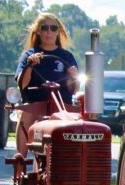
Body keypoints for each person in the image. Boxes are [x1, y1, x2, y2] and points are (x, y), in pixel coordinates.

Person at [13, 12, 79, 154]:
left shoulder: (67, 56)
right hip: (35, 105)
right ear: (38, 31)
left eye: (53, 28)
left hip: (62, 106)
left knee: (78, 121)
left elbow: (74, 89)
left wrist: (74, 77)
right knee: (26, 114)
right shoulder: (29, 55)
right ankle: (21, 158)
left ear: (58, 32)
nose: (49, 31)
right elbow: (22, 84)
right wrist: (30, 65)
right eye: (44, 28)